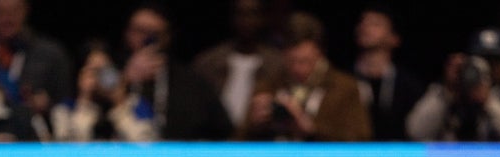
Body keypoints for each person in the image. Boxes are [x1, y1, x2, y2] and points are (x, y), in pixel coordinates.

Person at [239, 11, 372, 141]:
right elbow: (235, 141)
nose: (297, 68)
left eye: (305, 61)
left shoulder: (345, 88)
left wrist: (312, 130)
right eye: (291, 61)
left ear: (320, 54)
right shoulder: (268, 86)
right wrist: (254, 126)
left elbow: (361, 141)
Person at [117, 1, 233, 140]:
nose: (146, 41)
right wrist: (126, 79)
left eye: (154, 34)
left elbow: (223, 130)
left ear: (167, 37)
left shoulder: (192, 83)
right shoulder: (112, 70)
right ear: (126, 33)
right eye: (140, 31)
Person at [406, 27, 500, 141]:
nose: (487, 67)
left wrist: (488, 102)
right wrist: (448, 91)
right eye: (481, 59)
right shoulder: (448, 92)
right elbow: (416, 132)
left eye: (494, 61)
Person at [192, 0, 284, 135]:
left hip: (260, 144)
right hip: (216, 143)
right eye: (241, 14)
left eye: (253, 13)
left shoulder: (278, 65)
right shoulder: (208, 62)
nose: (246, 21)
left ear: (264, 18)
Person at [0, 0, 74, 125]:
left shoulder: (51, 54)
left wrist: (49, 105)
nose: (6, 18)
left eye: (13, 11)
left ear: (25, 10)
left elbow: (68, 102)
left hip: (40, 136)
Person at [49, 38, 156, 142]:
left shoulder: (137, 105)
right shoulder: (64, 110)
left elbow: (144, 146)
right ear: (80, 75)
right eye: (93, 71)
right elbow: (68, 151)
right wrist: (85, 102)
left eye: (105, 71)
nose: (99, 78)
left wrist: (120, 104)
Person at [351, 2, 425, 141]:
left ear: (394, 38)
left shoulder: (409, 87)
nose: (365, 28)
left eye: (376, 24)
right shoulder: (343, 81)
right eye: (363, 22)